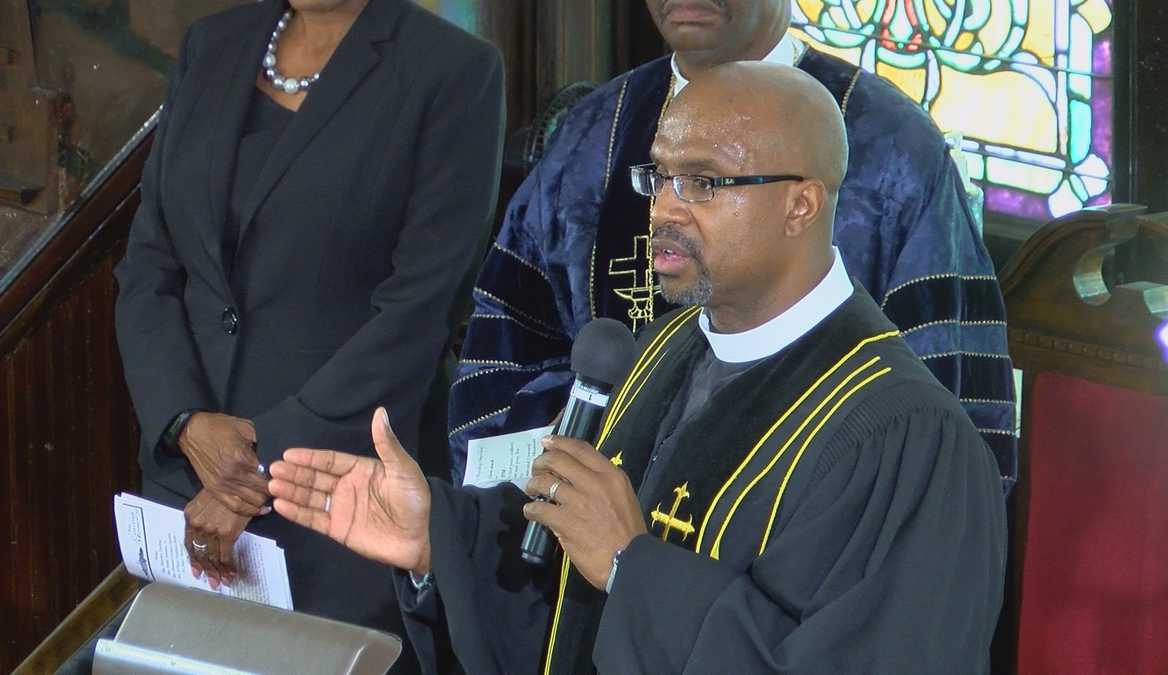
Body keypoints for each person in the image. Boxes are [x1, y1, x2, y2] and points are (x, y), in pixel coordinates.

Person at [268, 63, 1007, 674]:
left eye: (704, 182)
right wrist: (439, 536)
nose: (665, 210)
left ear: (801, 206)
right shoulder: (662, 348)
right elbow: (563, 599)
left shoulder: (907, 440)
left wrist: (631, 566)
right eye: (659, 177)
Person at [449, 0, 1017, 494]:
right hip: (577, 527)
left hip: (799, 533)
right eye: (662, 178)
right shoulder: (594, 132)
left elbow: (943, 407)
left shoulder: (892, 149)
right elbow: (507, 350)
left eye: (702, 181)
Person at [113, 0, 503, 669]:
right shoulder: (213, 43)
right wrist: (184, 422)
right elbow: (150, 264)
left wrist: (259, 463)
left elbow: (419, 310)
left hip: (341, 504)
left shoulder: (454, 70)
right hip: (187, 487)